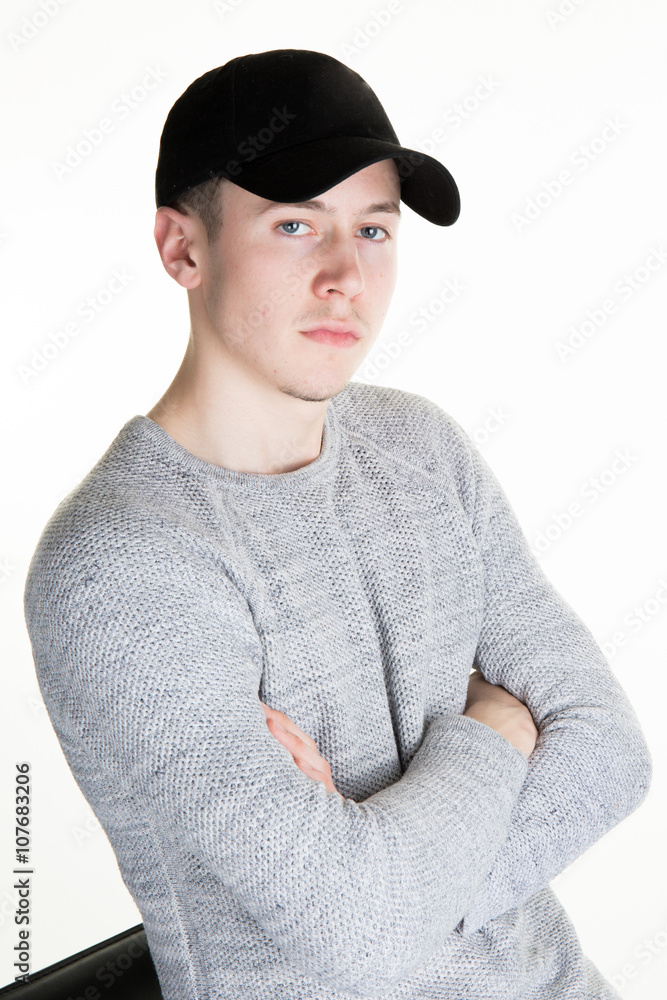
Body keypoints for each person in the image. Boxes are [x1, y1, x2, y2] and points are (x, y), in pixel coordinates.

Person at [23, 48, 652, 1000]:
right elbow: (350, 935)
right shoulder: (122, 564)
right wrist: (501, 727)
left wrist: (389, 875)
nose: (344, 275)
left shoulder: (419, 446)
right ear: (181, 248)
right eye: (293, 224)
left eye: (372, 228)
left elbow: (608, 750)